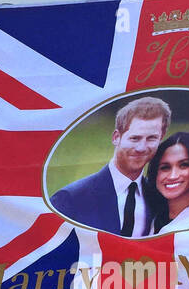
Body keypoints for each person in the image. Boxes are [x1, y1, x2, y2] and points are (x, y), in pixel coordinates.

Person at [50, 96, 170, 236]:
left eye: (151, 138)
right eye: (134, 138)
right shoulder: (71, 198)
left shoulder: (161, 198)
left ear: (161, 138)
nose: (141, 148)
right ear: (116, 137)